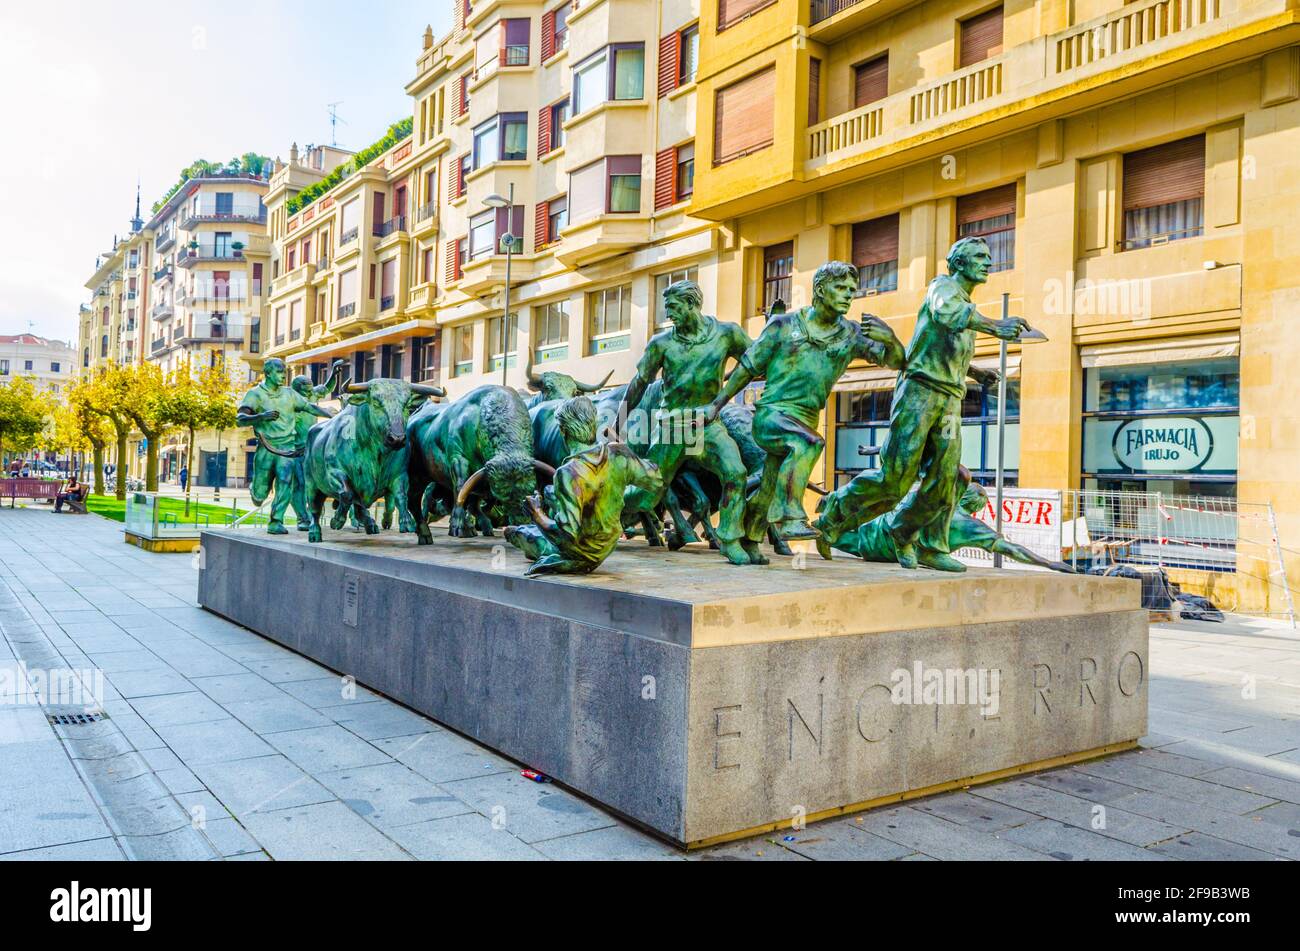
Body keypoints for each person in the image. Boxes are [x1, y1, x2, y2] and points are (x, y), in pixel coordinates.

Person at [813, 237, 1035, 571]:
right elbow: (946, 315)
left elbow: (936, 348)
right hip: (920, 394)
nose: (988, 262)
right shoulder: (942, 288)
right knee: (895, 480)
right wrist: (996, 326)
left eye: (989, 257)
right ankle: (834, 515)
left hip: (949, 397)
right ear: (958, 263)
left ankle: (925, 542)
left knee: (947, 477)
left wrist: (974, 372)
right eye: (979, 256)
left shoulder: (965, 306)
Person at [704, 261, 906, 555]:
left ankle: (745, 537)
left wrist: (891, 339)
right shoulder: (783, 326)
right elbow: (746, 368)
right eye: (841, 288)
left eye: (852, 289)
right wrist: (716, 404)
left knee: (769, 488)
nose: (849, 295)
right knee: (810, 443)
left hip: (805, 420)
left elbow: (897, 361)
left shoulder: (850, 335)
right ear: (820, 290)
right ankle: (790, 515)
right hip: (772, 416)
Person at [618, 280, 756, 565]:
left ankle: (730, 537)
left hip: (708, 425)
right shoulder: (662, 344)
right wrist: (619, 421)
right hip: (671, 427)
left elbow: (757, 360)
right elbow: (640, 382)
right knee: (646, 494)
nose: (669, 315)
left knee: (736, 472)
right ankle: (607, 513)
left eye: (674, 308)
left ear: (693, 304)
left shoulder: (727, 334)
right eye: (668, 308)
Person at [506, 397, 662, 577]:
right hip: (608, 544)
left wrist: (536, 513)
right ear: (593, 425)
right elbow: (656, 479)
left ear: (563, 431)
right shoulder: (618, 454)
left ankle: (519, 535)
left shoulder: (568, 473)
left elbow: (566, 535)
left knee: (521, 533)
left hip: (583, 553)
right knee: (549, 493)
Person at [832, 467, 1076, 574]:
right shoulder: (971, 526)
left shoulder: (934, 497)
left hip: (874, 531)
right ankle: (928, 553)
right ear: (977, 508)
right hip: (880, 551)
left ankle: (817, 530)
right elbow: (1010, 548)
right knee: (958, 566)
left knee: (831, 535)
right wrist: (1048, 563)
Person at [237, 358, 331, 535]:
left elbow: (309, 407)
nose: (283, 376)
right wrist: (260, 417)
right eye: (279, 372)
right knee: (260, 494)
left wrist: (332, 417)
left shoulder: (289, 394)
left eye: (284, 372)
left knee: (285, 482)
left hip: (287, 449)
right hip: (266, 448)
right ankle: (256, 491)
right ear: (268, 373)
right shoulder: (255, 394)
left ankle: (276, 521)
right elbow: (240, 419)